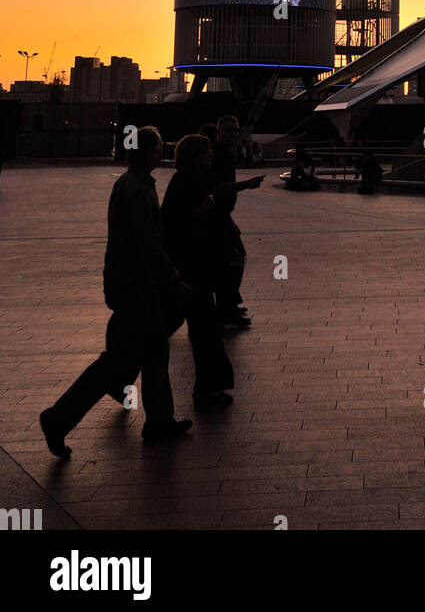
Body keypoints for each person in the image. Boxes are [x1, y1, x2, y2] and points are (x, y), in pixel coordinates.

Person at [40, 126, 193, 458]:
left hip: (128, 285)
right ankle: (58, 418)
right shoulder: (139, 190)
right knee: (120, 362)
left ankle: (159, 421)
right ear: (147, 152)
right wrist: (174, 281)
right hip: (137, 288)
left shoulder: (129, 183)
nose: (159, 151)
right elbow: (150, 246)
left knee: (152, 353)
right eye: (155, 146)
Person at [161, 133, 234, 408]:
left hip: (192, 270)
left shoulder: (192, 180)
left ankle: (119, 372)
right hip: (191, 272)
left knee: (174, 328)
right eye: (206, 153)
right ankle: (208, 389)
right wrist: (199, 211)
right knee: (205, 331)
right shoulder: (185, 181)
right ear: (194, 155)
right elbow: (170, 221)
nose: (210, 157)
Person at [210, 115, 263, 326]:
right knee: (232, 259)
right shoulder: (217, 155)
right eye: (228, 130)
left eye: (235, 130)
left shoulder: (227, 153)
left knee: (233, 258)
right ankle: (226, 307)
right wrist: (246, 185)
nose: (233, 134)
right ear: (219, 132)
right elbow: (217, 186)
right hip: (215, 215)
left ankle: (228, 304)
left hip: (223, 214)